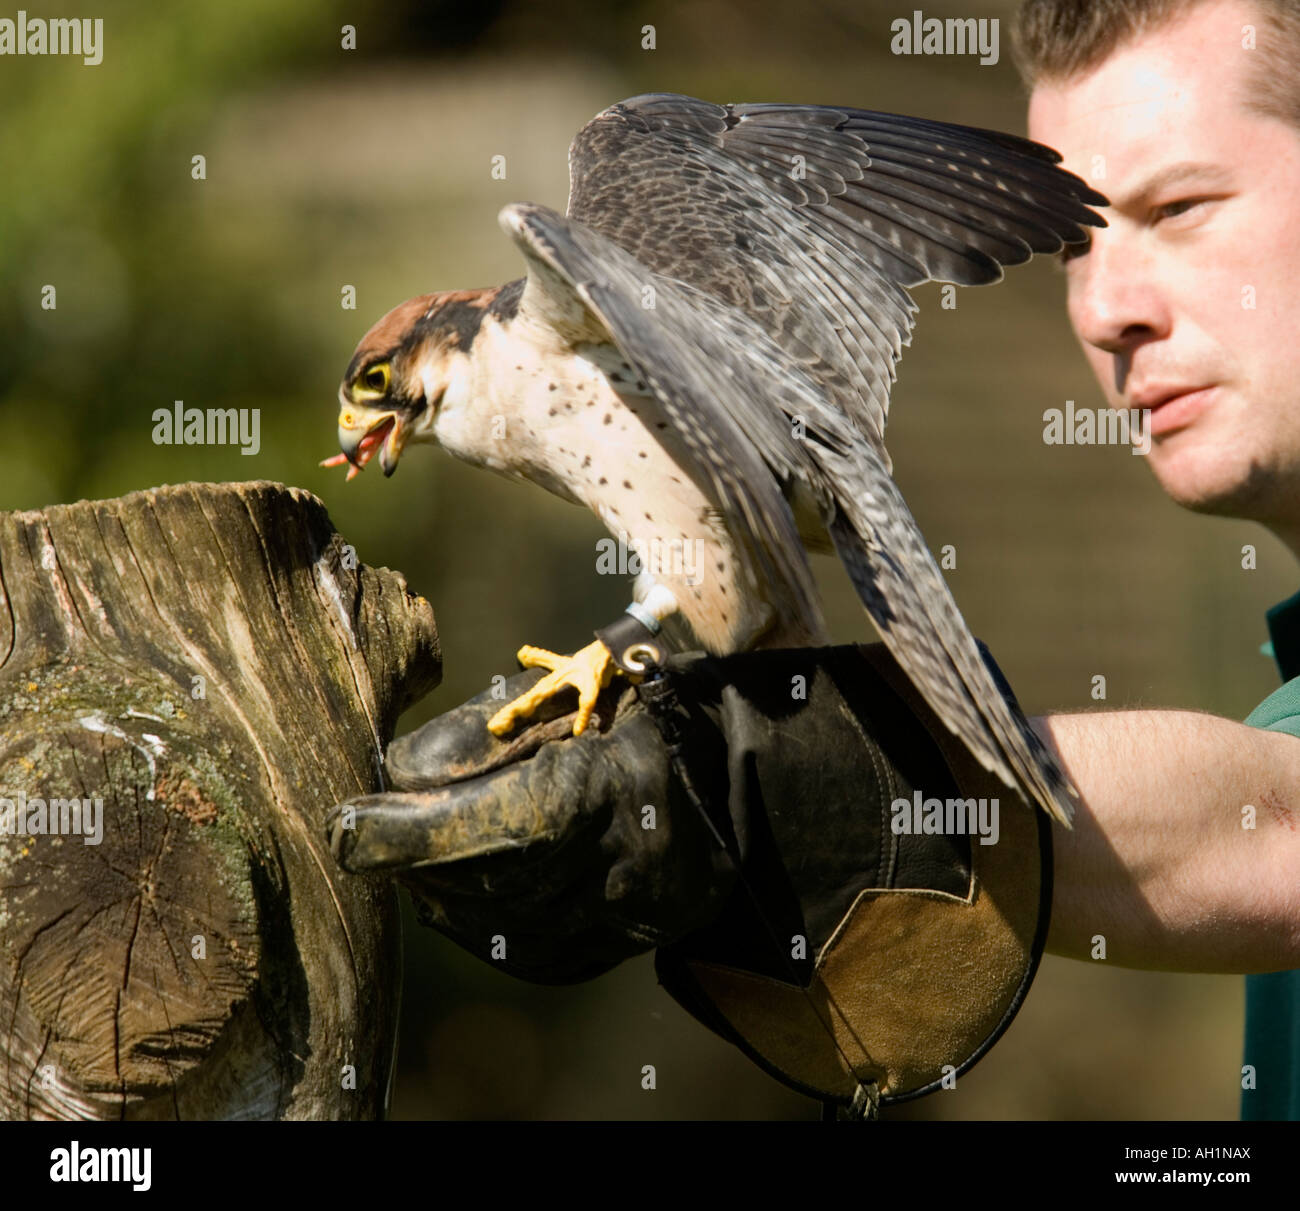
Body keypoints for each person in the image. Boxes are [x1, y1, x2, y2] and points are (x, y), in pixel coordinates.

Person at [327, 0, 1300, 1120]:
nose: (1104, 308)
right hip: (777, 491)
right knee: (642, 128)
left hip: (776, 488)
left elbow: (1276, 825)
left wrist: (781, 792)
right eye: (1085, 236)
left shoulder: (549, 294)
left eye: (1181, 205)